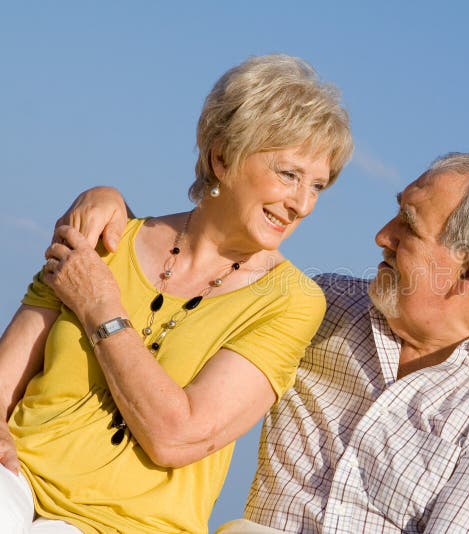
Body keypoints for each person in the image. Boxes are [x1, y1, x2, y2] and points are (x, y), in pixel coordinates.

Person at [61, 152, 469, 533]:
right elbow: (187, 271)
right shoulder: (316, 304)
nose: (381, 235)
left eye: (408, 227)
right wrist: (110, 209)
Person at [0, 54, 353, 533]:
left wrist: (100, 306)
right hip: (16, 479)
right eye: (289, 175)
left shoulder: (290, 301)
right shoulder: (107, 234)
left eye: (318, 186)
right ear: (222, 157)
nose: (303, 205)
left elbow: (175, 436)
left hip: (123, 525)